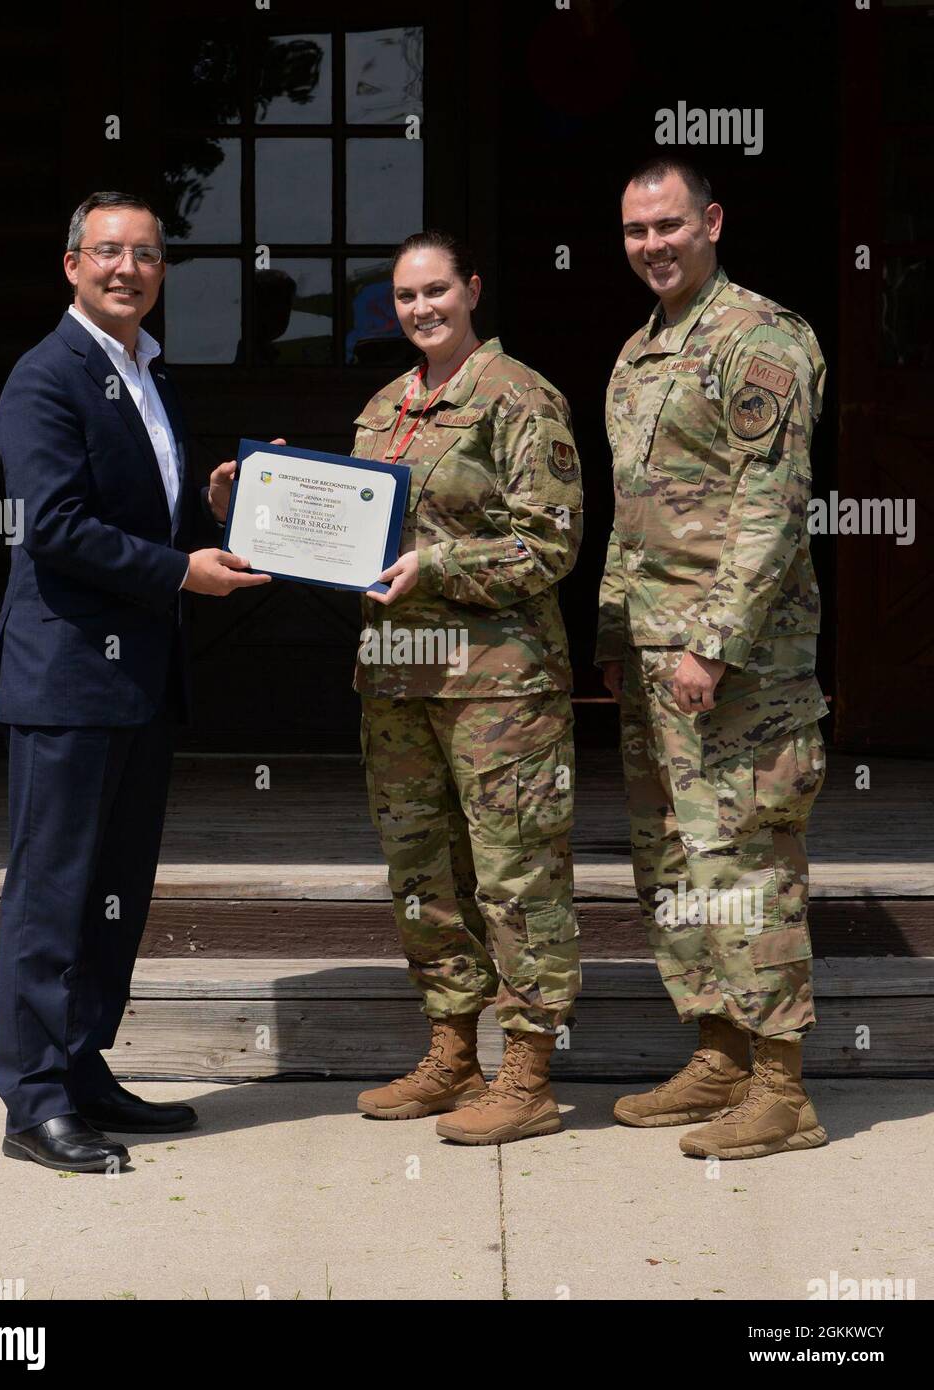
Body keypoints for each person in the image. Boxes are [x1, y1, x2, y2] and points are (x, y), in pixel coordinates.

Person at [0, 191, 270, 1172]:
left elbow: (132, 508)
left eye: (145, 254)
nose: (127, 269)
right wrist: (181, 570)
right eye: (108, 252)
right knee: (53, 892)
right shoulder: (44, 378)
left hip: (138, 682)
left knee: (114, 889)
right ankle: (33, 1102)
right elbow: (57, 527)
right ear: (71, 265)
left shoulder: (146, 371)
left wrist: (212, 504)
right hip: (66, 679)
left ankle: (81, 1067)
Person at [596, 158, 829, 1159]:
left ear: (712, 223)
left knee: (746, 865)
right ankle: (718, 1054)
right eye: (634, 230)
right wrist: (613, 634)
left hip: (736, 675)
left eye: (667, 225)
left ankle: (782, 1091)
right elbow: (633, 513)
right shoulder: (637, 356)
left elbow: (768, 515)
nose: (651, 243)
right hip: (652, 664)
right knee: (678, 867)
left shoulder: (757, 340)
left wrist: (711, 643)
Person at [352, 230, 584, 1145]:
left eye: (437, 290)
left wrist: (435, 563)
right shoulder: (381, 409)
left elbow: (551, 543)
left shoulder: (519, 397)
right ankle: (453, 1053)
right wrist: (252, 502)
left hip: (500, 691)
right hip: (398, 685)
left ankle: (528, 1073)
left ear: (472, 290)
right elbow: (353, 537)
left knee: (516, 876)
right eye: (406, 296)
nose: (421, 309)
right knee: (422, 871)